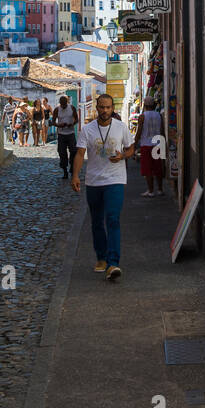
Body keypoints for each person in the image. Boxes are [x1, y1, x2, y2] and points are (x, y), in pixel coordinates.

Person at [71, 93, 135, 282]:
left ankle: (113, 263)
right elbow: (80, 153)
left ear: (112, 108)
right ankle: (101, 257)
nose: (105, 111)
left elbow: (131, 148)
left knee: (113, 219)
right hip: (93, 181)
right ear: (96, 108)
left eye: (108, 107)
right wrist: (75, 175)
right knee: (97, 222)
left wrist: (123, 156)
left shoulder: (121, 127)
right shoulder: (87, 130)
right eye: (102, 107)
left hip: (115, 180)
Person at [134, 97, 164, 197]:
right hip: (158, 143)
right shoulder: (159, 115)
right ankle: (160, 189)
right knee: (158, 167)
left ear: (145, 105)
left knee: (148, 169)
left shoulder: (142, 116)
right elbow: (162, 130)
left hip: (146, 144)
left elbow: (139, 131)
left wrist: (134, 144)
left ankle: (151, 191)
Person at [52, 95, 78, 179]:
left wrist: (72, 124)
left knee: (74, 151)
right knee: (62, 153)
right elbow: (53, 121)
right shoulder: (57, 110)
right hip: (61, 134)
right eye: (61, 104)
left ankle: (72, 166)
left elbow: (76, 119)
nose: (63, 106)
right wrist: (59, 125)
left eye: (64, 104)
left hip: (71, 133)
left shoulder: (72, 108)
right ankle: (65, 171)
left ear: (67, 103)